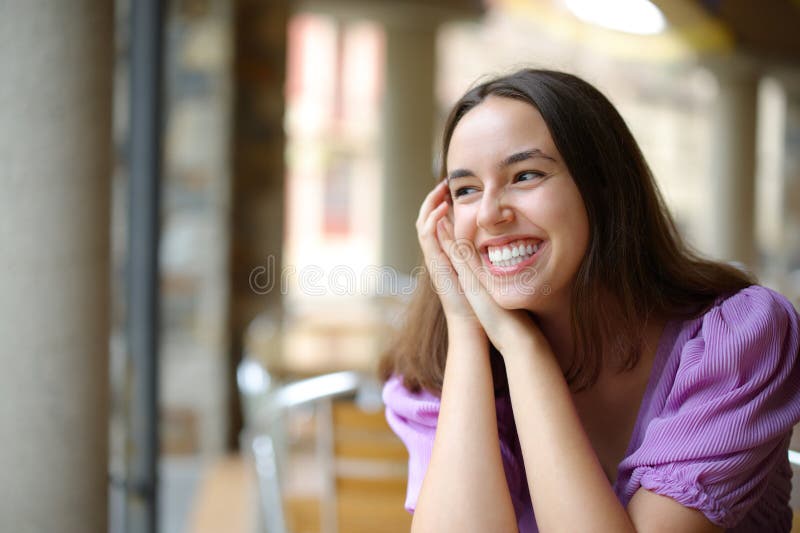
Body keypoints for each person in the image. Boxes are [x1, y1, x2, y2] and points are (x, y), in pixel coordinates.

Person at [378, 69, 800, 532]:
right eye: (466, 190)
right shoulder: (444, 371)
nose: (490, 214)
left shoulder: (739, 342)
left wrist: (522, 350)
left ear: (601, 188)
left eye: (525, 175)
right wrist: (466, 329)